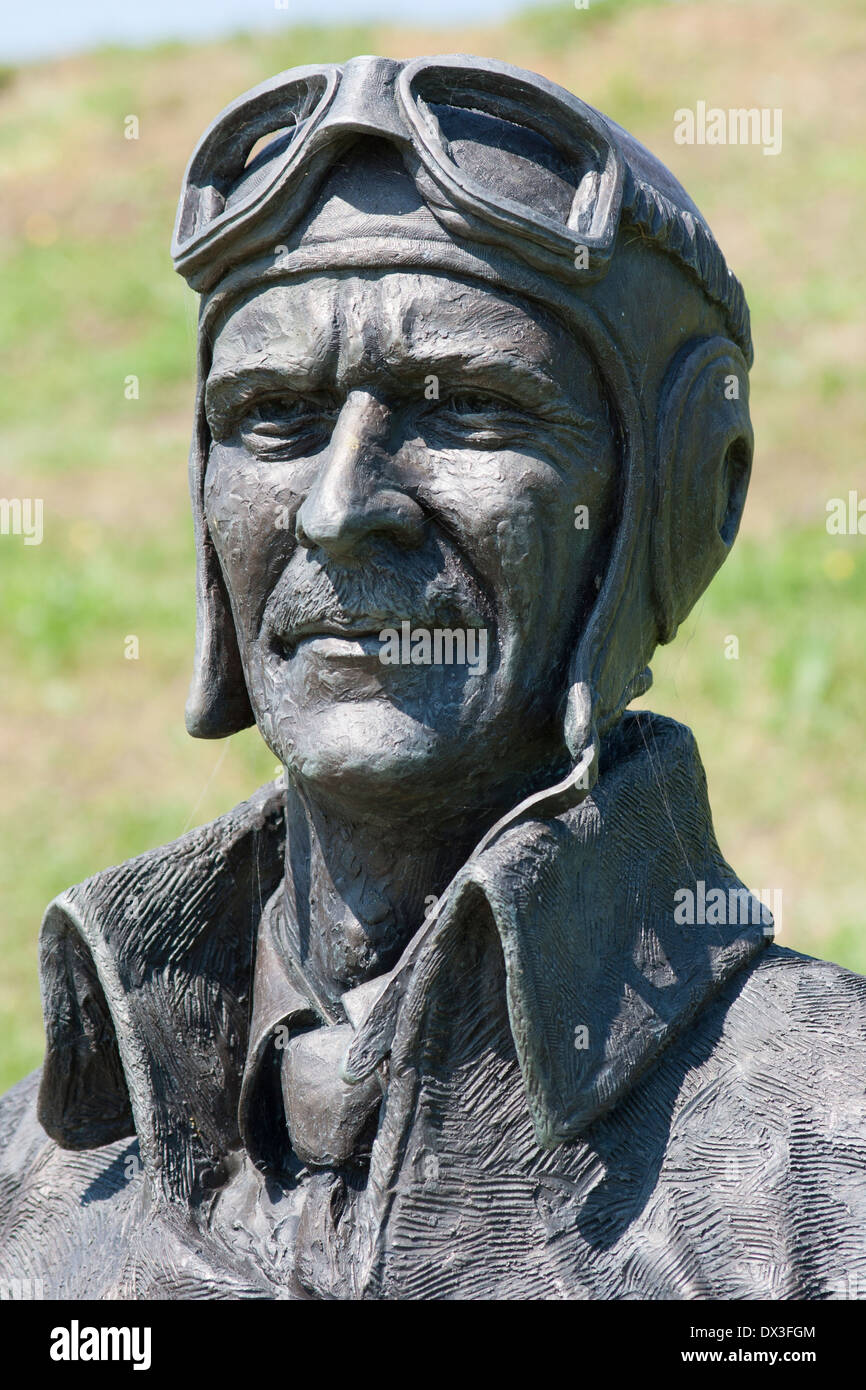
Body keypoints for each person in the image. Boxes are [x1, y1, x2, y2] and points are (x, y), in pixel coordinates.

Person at [1, 55, 863, 1300]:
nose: (339, 508)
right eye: (273, 417)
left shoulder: (825, 1172)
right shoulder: (38, 1189)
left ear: (677, 500)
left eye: (463, 406)